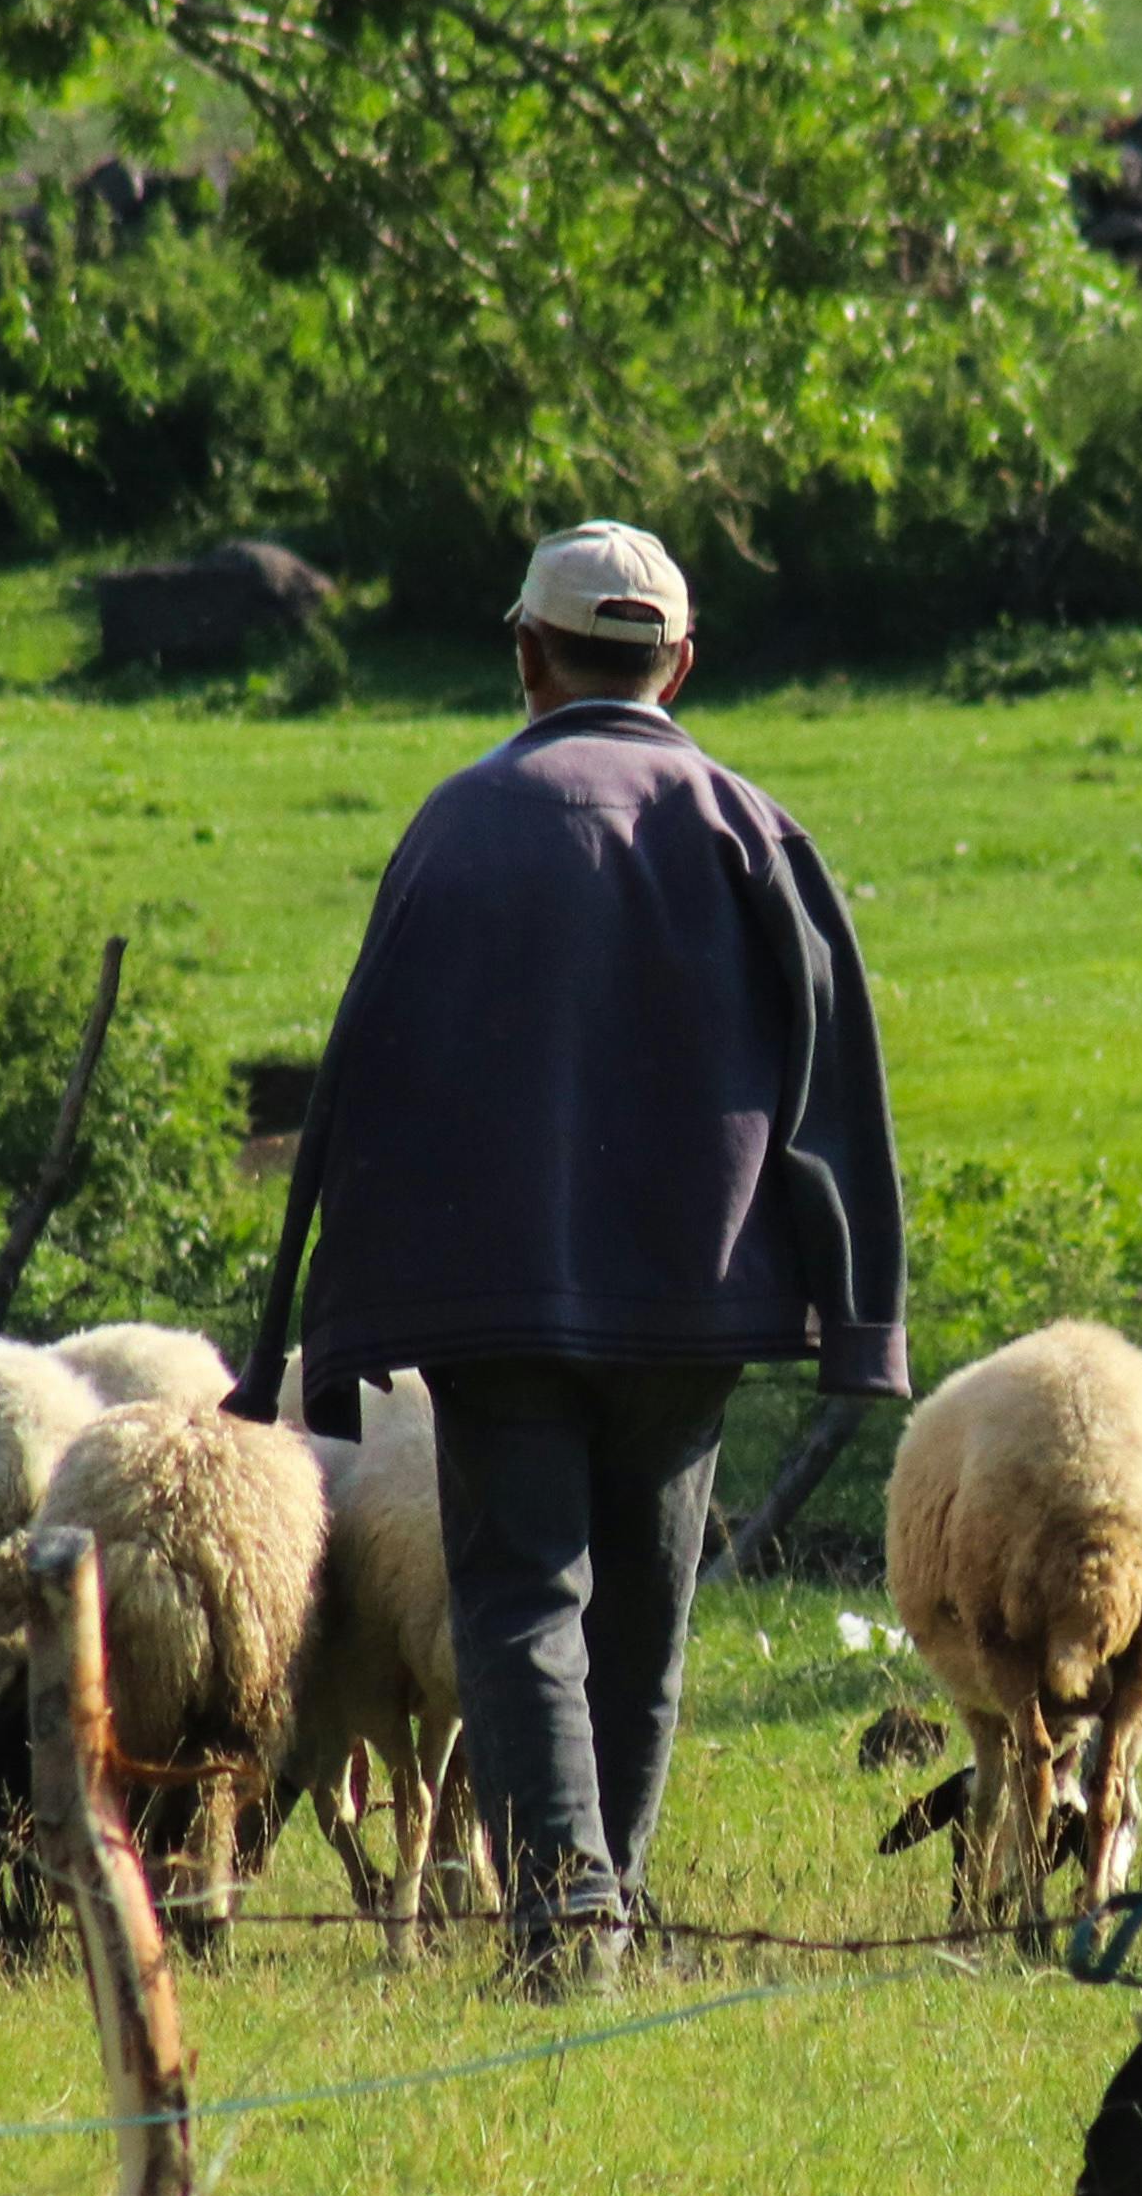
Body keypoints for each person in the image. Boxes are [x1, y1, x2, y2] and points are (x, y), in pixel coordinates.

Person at [236, 522, 905, 1986]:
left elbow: (360, 1084)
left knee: (524, 1597)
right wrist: (861, 1323)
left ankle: (566, 1918)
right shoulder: (747, 824)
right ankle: (606, 1898)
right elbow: (836, 1079)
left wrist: (322, 1321)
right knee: (646, 1616)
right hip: (692, 1300)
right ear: (680, 663)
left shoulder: (457, 825)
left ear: (526, 656)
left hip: (493, 1300)